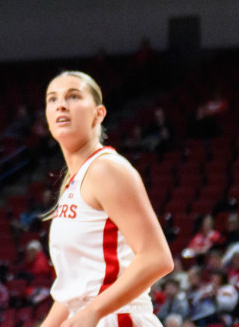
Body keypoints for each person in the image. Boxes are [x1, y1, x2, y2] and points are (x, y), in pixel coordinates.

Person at [40, 71, 174, 327]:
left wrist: (93, 312)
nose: (61, 105)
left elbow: (157, 258)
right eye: (52, 99)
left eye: (73, 96)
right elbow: (73, 292)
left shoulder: (106, 169)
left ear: (99, 113)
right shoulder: (74, 180)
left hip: (118, 317)